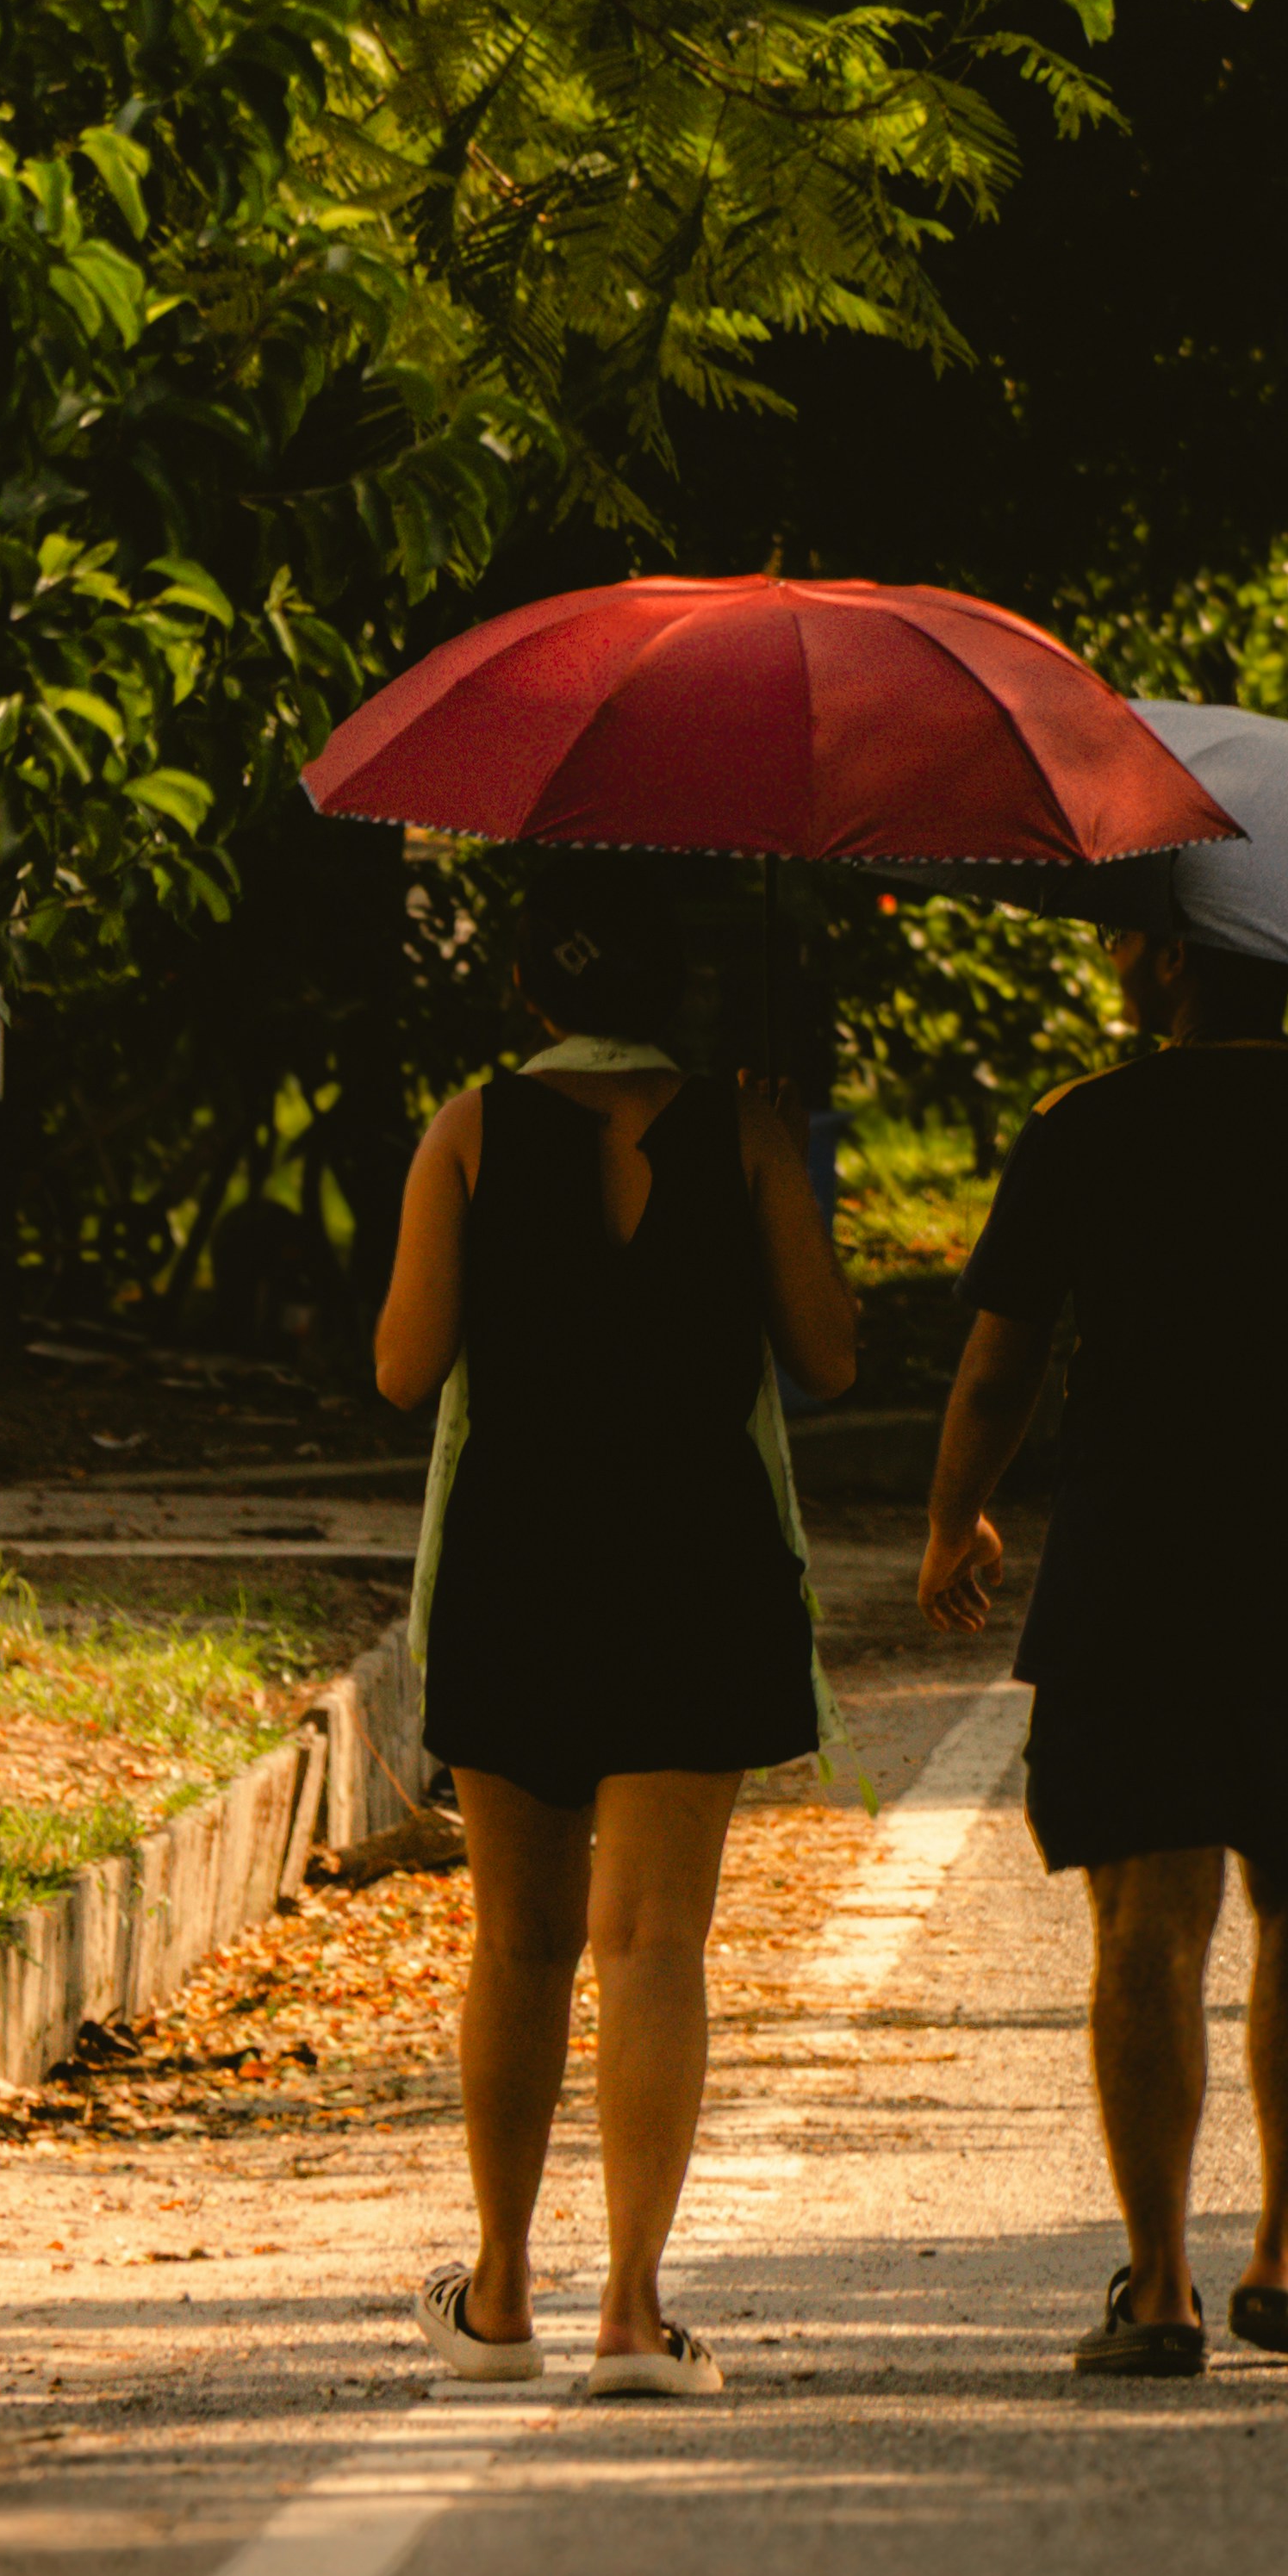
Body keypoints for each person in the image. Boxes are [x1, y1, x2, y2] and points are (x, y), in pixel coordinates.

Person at [919, 927, 1288, 2375]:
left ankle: (1160, 2283)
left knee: (1145, 1922)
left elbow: (998, 1360)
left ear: (1172, 961)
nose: (1116, 957)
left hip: (1132, 1575)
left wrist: (955, 1523)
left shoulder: (1086, 1126)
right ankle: (1287, 2255)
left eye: (1129, 938)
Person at [374, 855, 856, 2398]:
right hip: (694, 1561)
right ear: (677, 992)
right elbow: (829, 1360)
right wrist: (777, 1150)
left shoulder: (470, 1129)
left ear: (527, 991)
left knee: (515, 1943)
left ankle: (502, 2292)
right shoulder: (748, 1130)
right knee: (653, 1943)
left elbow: (402, 1370)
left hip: (521, 1557)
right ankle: (637, 2315)